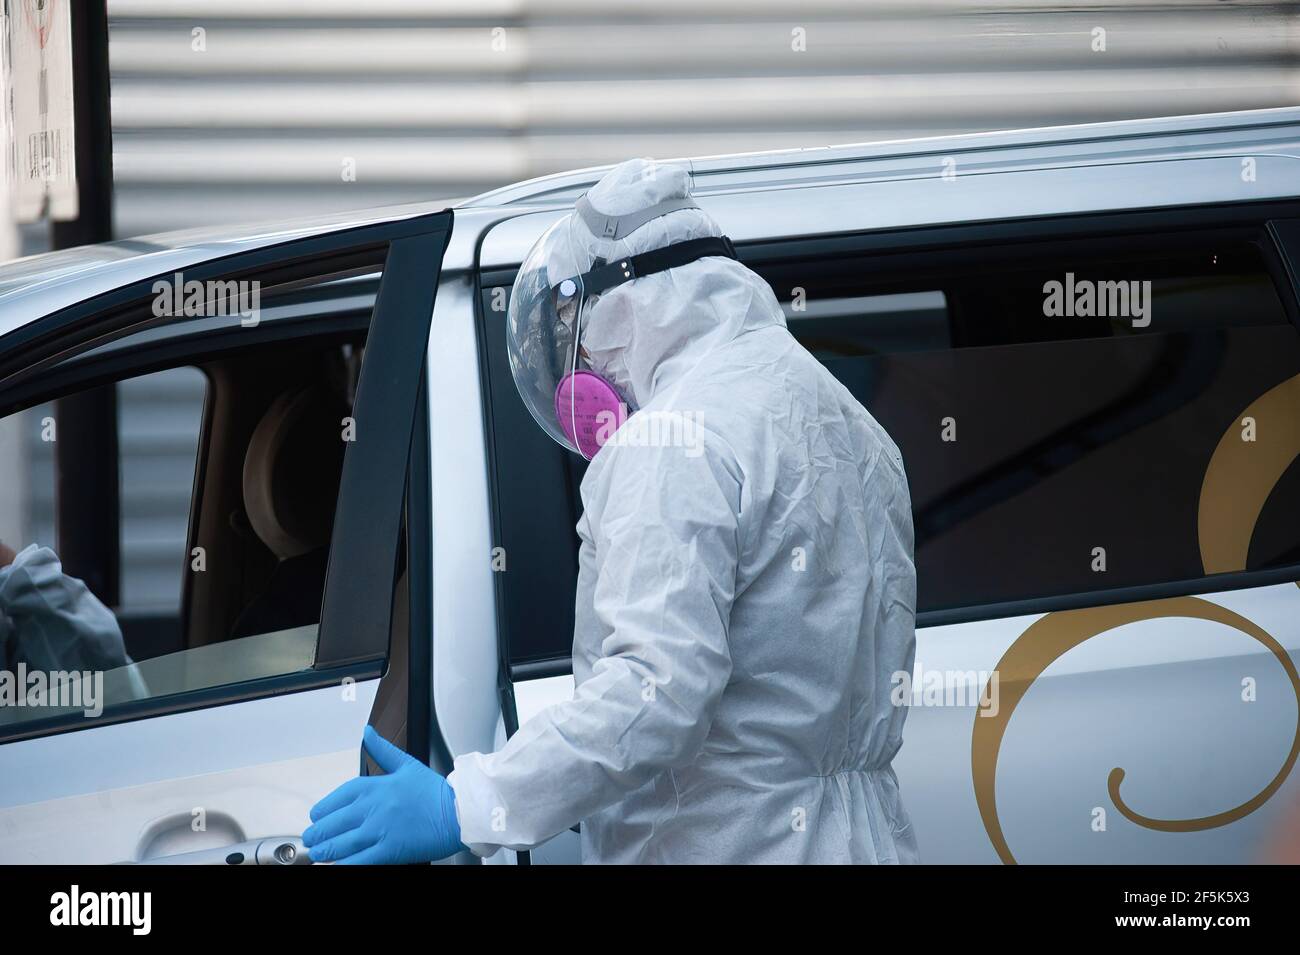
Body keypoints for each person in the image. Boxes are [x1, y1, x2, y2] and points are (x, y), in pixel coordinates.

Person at [303, 158, 919, 865]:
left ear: (628, 302)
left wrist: (467, 803)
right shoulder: (854, 426)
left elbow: (654, 693)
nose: (586, 362)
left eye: (579, 330)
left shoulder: (670, 439)